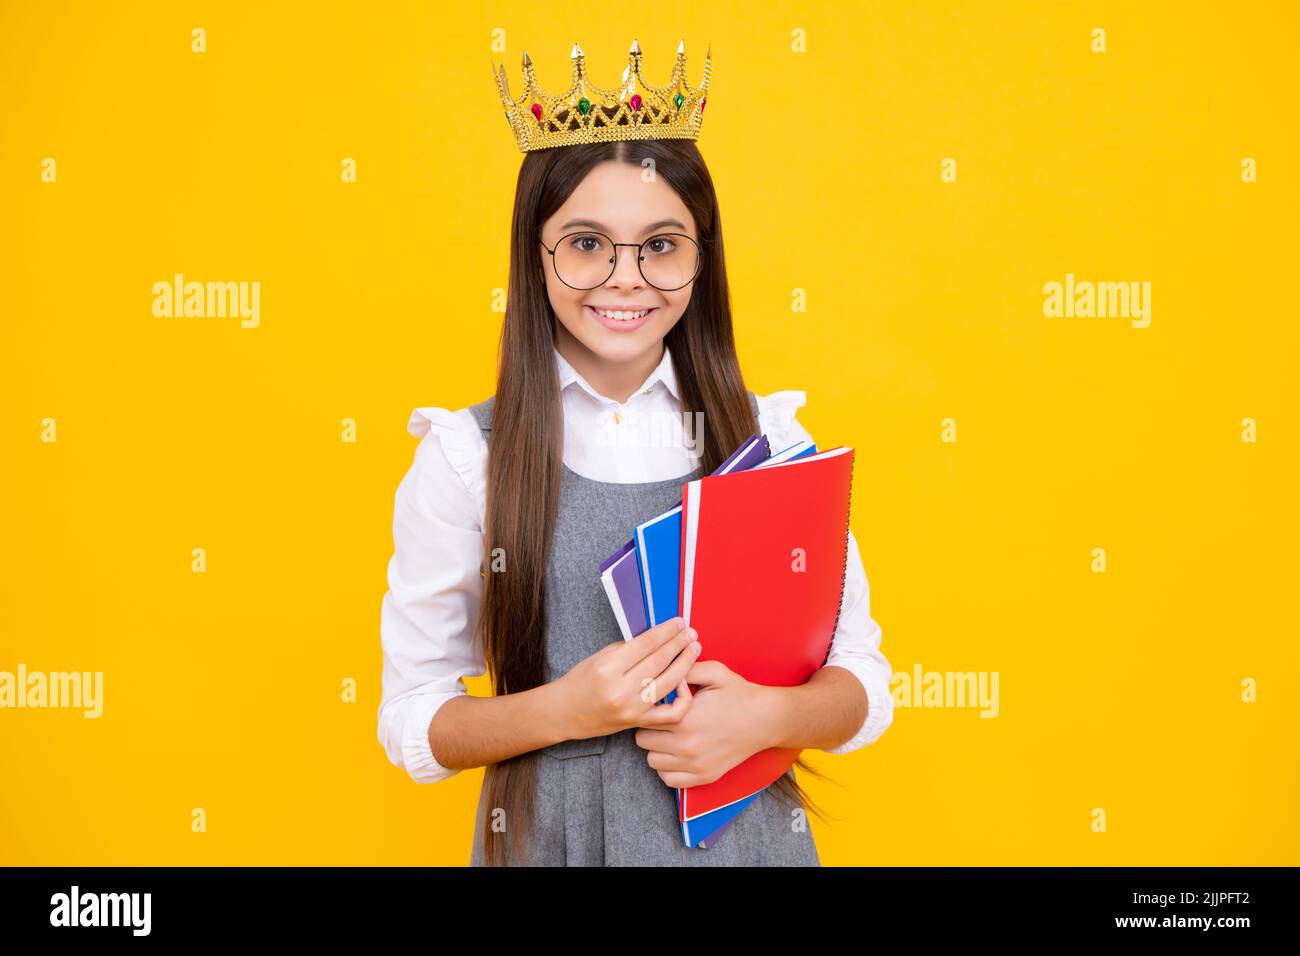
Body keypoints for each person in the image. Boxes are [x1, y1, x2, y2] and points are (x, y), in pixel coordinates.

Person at [377, 39, 894, 866]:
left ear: (701, 256)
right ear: (534, 253)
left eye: (661, 244)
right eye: (586, 243)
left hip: (746, 842)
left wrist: (768, 718)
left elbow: (862, 685)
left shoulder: (768, 439)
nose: (626, 277)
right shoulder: (464, 457)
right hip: (555, 840)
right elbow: (413, 720)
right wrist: (570, 708)